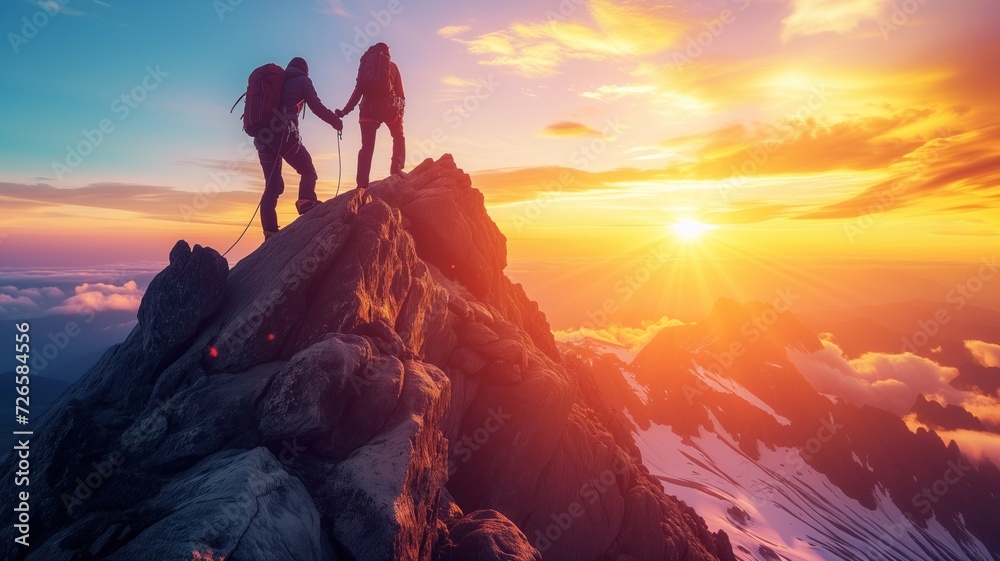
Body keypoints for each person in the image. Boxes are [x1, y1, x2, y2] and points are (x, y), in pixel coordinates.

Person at [255, 57, 342, 240]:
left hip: (263, 138)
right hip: (283, 136)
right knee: (308, 170)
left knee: (273, 186)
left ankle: (269, 232)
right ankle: (306, 202)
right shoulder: (303, 80)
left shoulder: (277, 81)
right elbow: (316, 106)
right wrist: (335, 121)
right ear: (305, 70)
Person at [336, 43, 405, 190]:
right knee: (398, 136)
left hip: (368, 111)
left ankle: (362, 184)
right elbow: (400, 94)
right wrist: (400, 114)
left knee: (367, 147)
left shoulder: (366, 71)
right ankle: (396, 168)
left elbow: (357, 93)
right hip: (388, 109)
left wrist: (344, 112)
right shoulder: (392, 67)